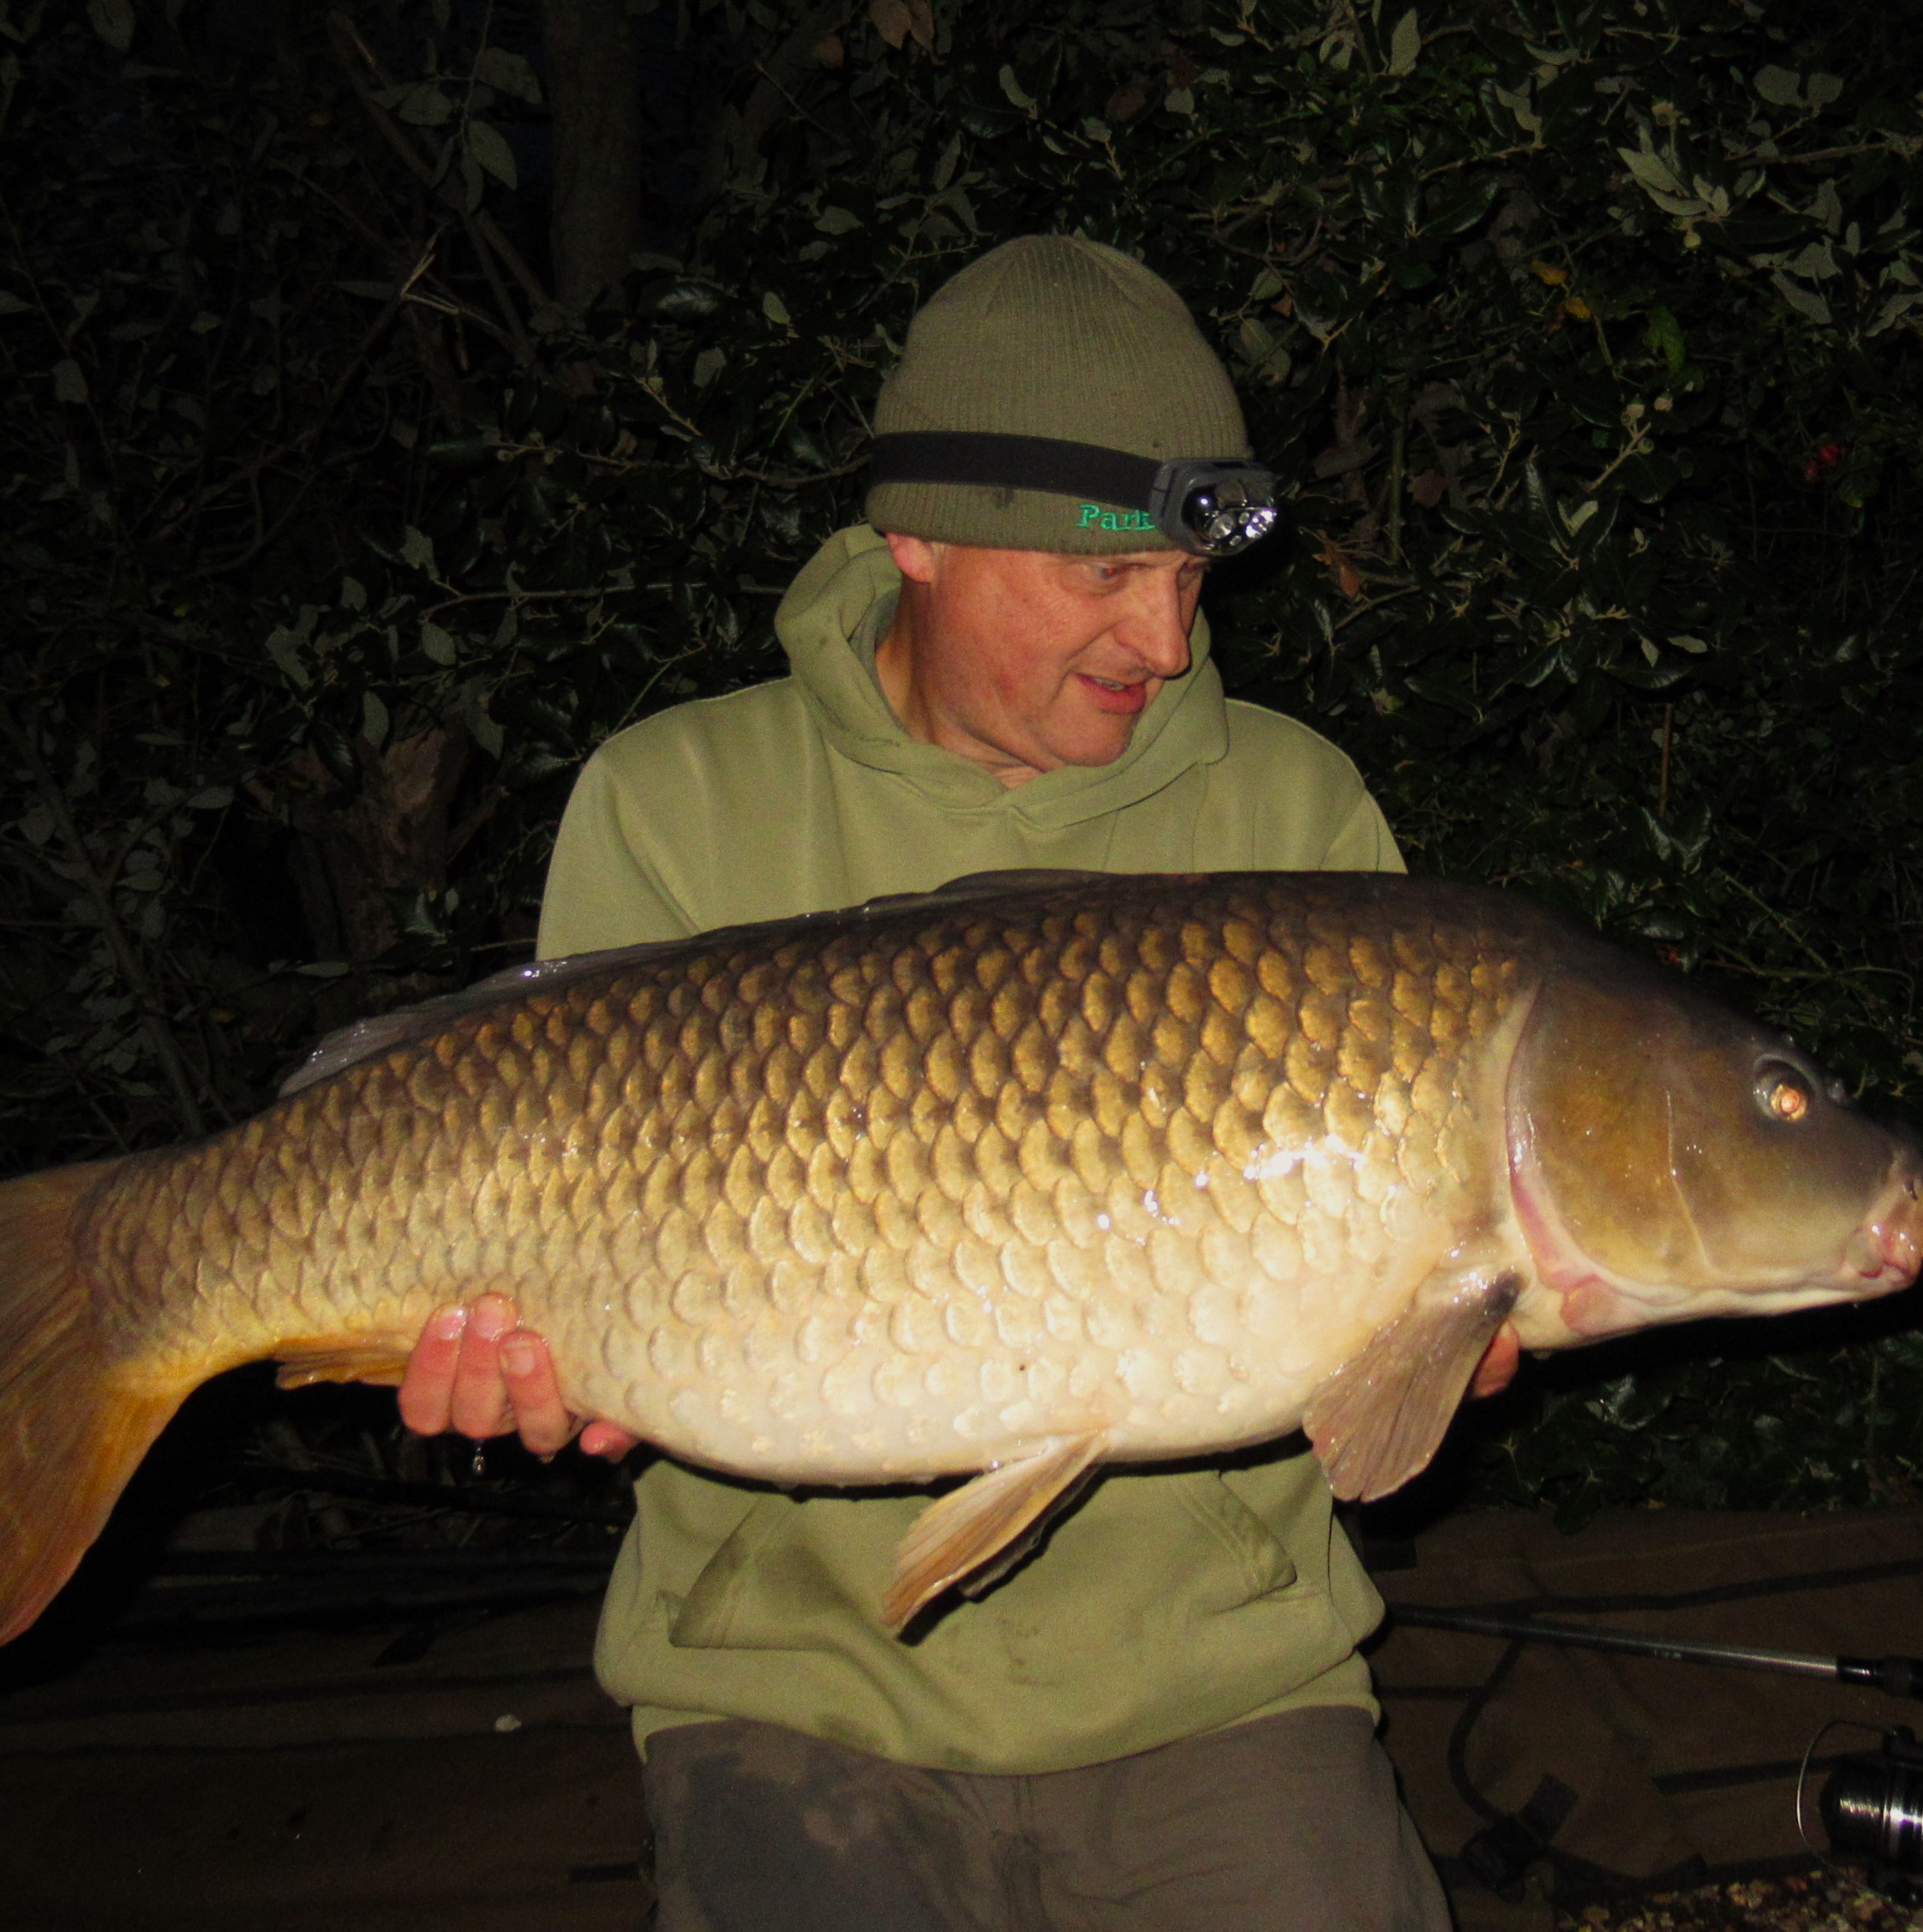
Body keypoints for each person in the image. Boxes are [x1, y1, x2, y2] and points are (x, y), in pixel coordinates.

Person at [397, 236, 1519, 1930]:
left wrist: (1446, 1345)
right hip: (793, 1688)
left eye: (1189, 579)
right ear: (913, 536)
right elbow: (563, 1286)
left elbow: (1396, 1388)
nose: (1163, 634)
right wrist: (531, 1362)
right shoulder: (674, 804)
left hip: (1220, 1683)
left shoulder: (1297, 824)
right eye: (1103, 577)